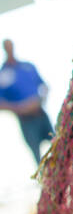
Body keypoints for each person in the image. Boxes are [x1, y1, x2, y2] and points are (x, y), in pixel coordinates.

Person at [0, 39, 55, 170]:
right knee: (37, 156)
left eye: (11, 46)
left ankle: (65, 172)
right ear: (4, 49)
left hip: (41, 114)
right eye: (7, 47)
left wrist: (40, 100)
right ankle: (46, 181)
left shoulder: (28, 66)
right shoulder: (3, 74)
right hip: (26, 121)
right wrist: (19, 108)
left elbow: (44, 86)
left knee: (57, 145)